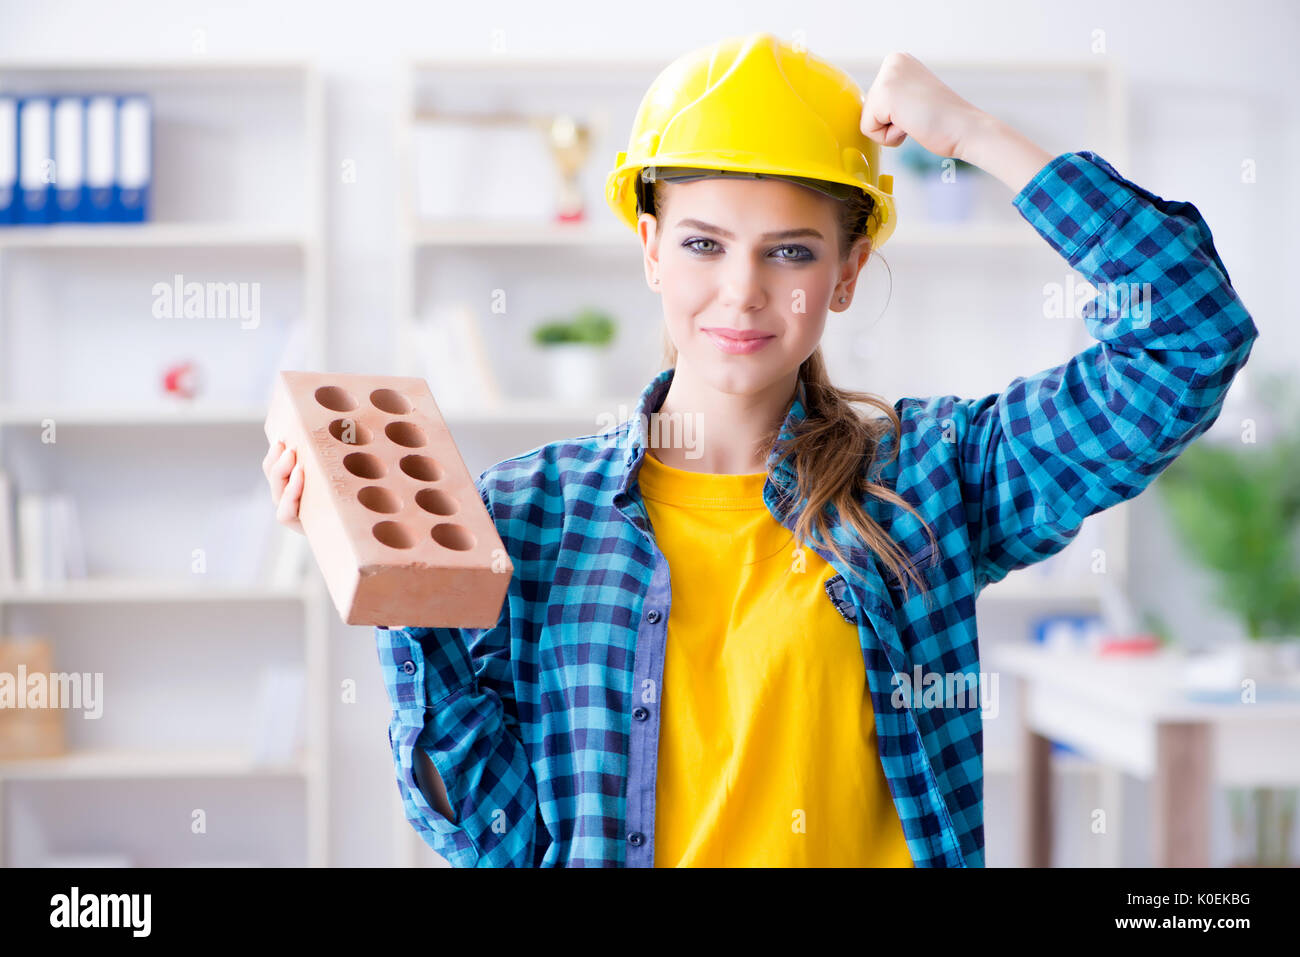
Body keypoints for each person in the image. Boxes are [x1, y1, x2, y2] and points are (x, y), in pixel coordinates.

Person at [263, 33, 1259, 867]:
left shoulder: (926, 484)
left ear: (847, 272)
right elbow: (499, 843)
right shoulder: (524, 517)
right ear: (648, 246)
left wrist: (973, 136)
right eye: (702, 243)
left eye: (789, 250)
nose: (741, 292)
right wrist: (398, 592)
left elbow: (1187, 333)